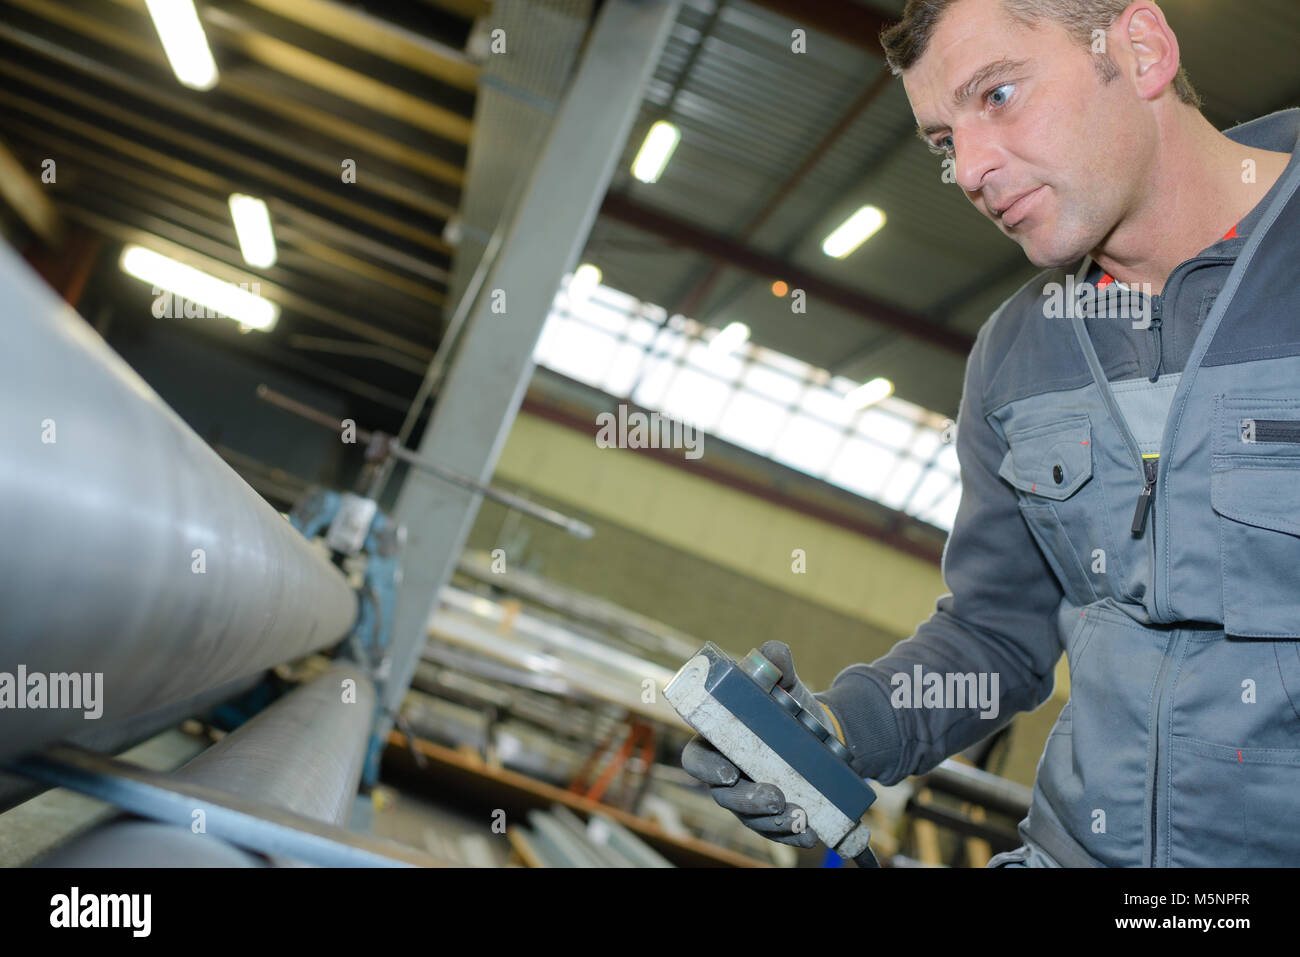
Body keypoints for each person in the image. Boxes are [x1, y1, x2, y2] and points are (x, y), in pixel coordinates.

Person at [682, 0, 1300, 867]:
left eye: (999, 95)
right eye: (943, 141)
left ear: (1143, 48)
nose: (970, 170)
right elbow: (999, 635)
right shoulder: (1019, 355)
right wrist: (833, 729)